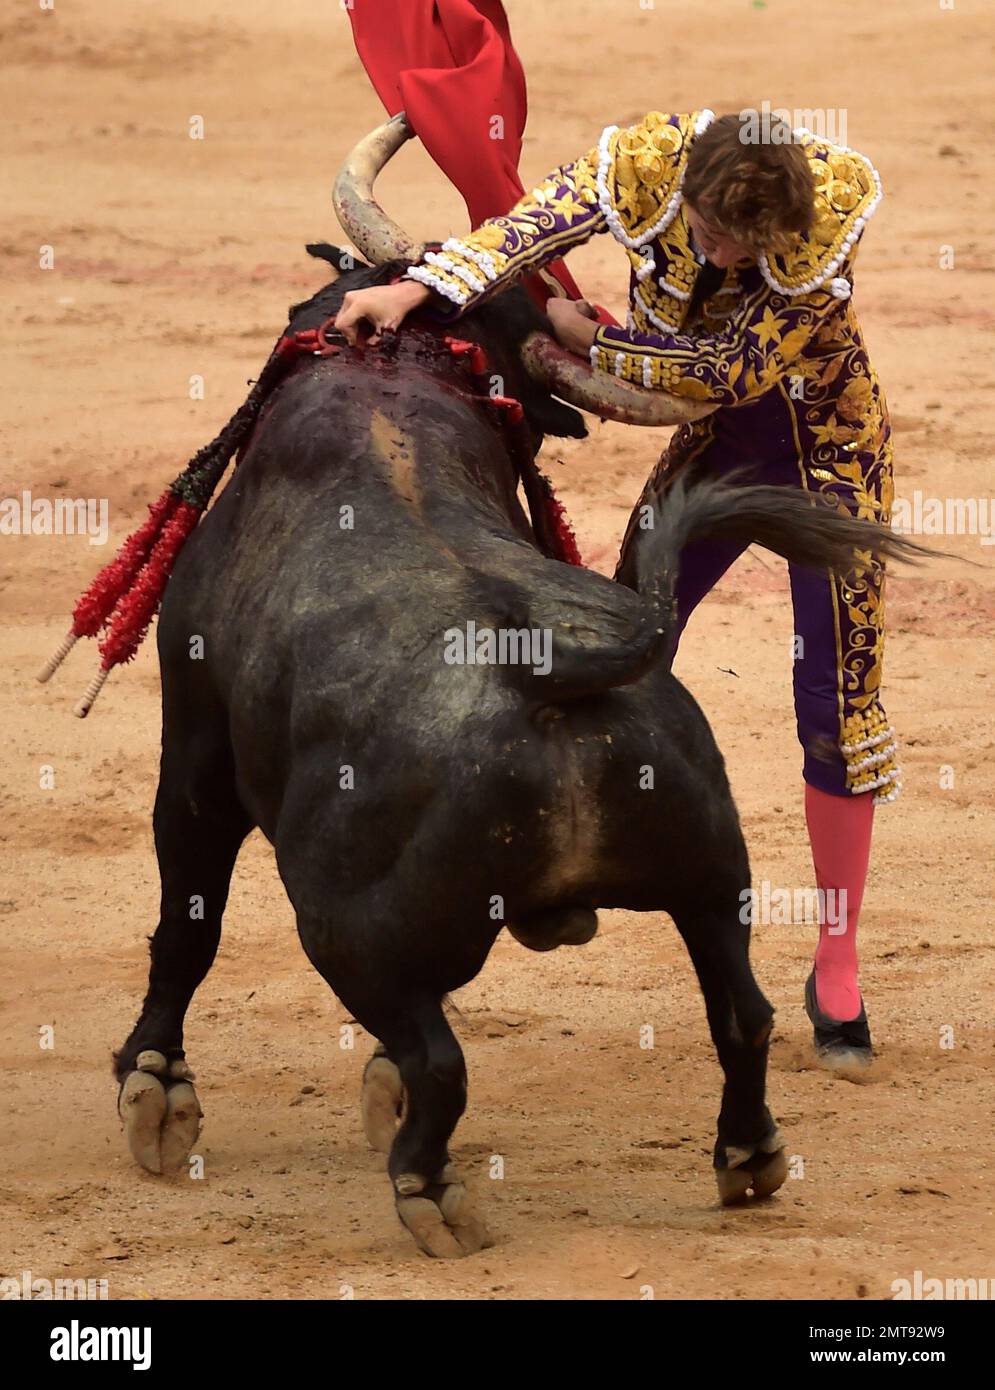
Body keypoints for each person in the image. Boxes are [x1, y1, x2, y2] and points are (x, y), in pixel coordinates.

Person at [335, 109, 896, 1071]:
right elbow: (524, 229)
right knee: (621, 648)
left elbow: (721, 372)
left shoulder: (819, 223)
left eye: (742, 247)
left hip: (832, 458)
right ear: (684, 194)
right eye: (713, 236)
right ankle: (570, 852)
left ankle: (834, 963)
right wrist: (416, 288)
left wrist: (578, 333)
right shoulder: (642, 163)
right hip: (719, 455)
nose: (722, 259)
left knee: (836, 706)